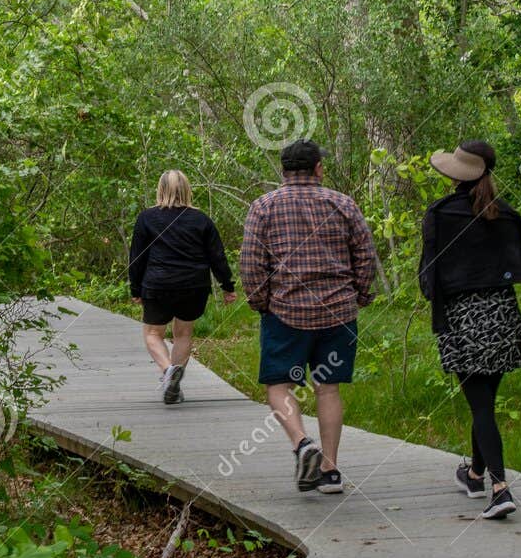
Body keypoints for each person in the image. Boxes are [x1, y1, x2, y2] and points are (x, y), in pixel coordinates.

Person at [419, 140, 521, 520]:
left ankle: (499, 487)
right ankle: (474, 474)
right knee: (485, 406)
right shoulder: (506, 214)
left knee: (480, 407)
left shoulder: (440, 214)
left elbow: (429, 277)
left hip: (463, 320)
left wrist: (440, 298)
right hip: (505, 318)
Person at [240, 139, 378, 496]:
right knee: (327, 387)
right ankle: (330, 471)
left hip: (285, 312)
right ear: (318, 168)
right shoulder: (343, 204)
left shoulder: (263, 207)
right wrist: (360, 295)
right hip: (338, 312)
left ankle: (302, 444)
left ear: (284, 171)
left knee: (278, 385)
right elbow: (365, 254)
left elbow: (251, 262)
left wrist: (260, 302)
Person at [129, 170, 236, 404]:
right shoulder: (201, 220)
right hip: (194, 285)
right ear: (187, 190)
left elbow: (137, 257)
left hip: (158, 284)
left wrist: (135, 289)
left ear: (160, 189)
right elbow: (217, 256)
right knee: (183, 333)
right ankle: (174, 380)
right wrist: (227, 285)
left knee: (153, 333)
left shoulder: (147, 218)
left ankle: (168, 371)